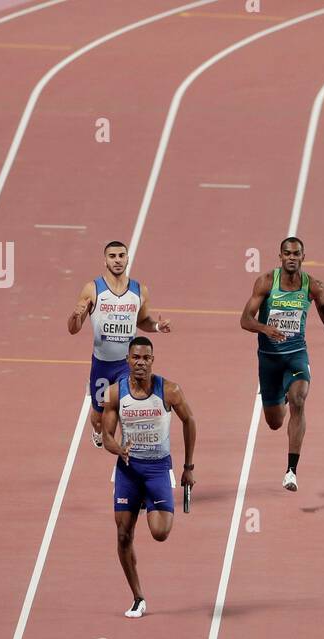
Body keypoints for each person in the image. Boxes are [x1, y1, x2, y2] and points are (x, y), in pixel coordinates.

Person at [100, 337, 196, 618]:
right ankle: (138, 597)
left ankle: (148, 501)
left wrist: (188, 466)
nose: (140, 363)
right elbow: (106, 436)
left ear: (153, 360)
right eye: (136, 358)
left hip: (157, 468)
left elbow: (190, 421)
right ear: (128, 360)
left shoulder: (169, 390)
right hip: (128, 469)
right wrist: (119, 448)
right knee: (122, 535)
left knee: (160, 533)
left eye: (146, 358)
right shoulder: (115, 394)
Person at [241, 238, 324, 490]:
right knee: (275, 422)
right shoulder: (266, 282)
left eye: (296, 254)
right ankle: (280, 396)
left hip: (296, 355)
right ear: (280, 256)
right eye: (287, 253)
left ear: (303, 256)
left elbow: (323, 309)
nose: (291, 257)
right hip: (269, 359)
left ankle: (291, 471)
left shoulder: (313, 286)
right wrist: (265, 329)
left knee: (299, 399)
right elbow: (245, 320)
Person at [68, 241, 170, 449]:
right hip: (102, 365)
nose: (117, 260)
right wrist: (75, 316)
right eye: (112, 256)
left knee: (128, 408)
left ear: (127, 259)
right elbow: (73, 329)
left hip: (127, 365)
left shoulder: (139, 291)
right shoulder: (92, 289)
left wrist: (158, 326)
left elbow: (142, 321)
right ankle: (97, 431)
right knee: (98, 416)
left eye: (121, 256)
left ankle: (132, 450)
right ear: (104, 260)